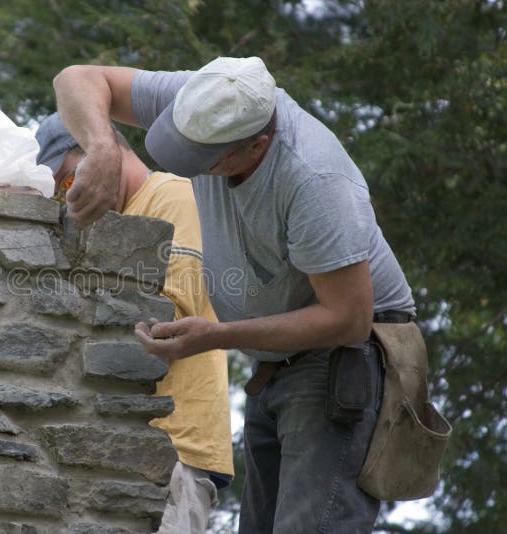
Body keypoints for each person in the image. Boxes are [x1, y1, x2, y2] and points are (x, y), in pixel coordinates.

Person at [51, 56, 417, 533]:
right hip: (277, 364)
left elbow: (347, 317)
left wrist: (217, 335)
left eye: (206, 160)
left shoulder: (315, 180)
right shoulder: (206, 99)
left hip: (341, 357)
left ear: (256, 145)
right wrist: (101, 147)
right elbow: (77, 78)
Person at [35, 113, 235, 533]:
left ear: (104, 151)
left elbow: (170, 318)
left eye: (68, 182)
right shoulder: (112, 224)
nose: (68, 200)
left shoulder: (174, 197)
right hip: (131, 444)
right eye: (58, 194)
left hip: (175, 452)